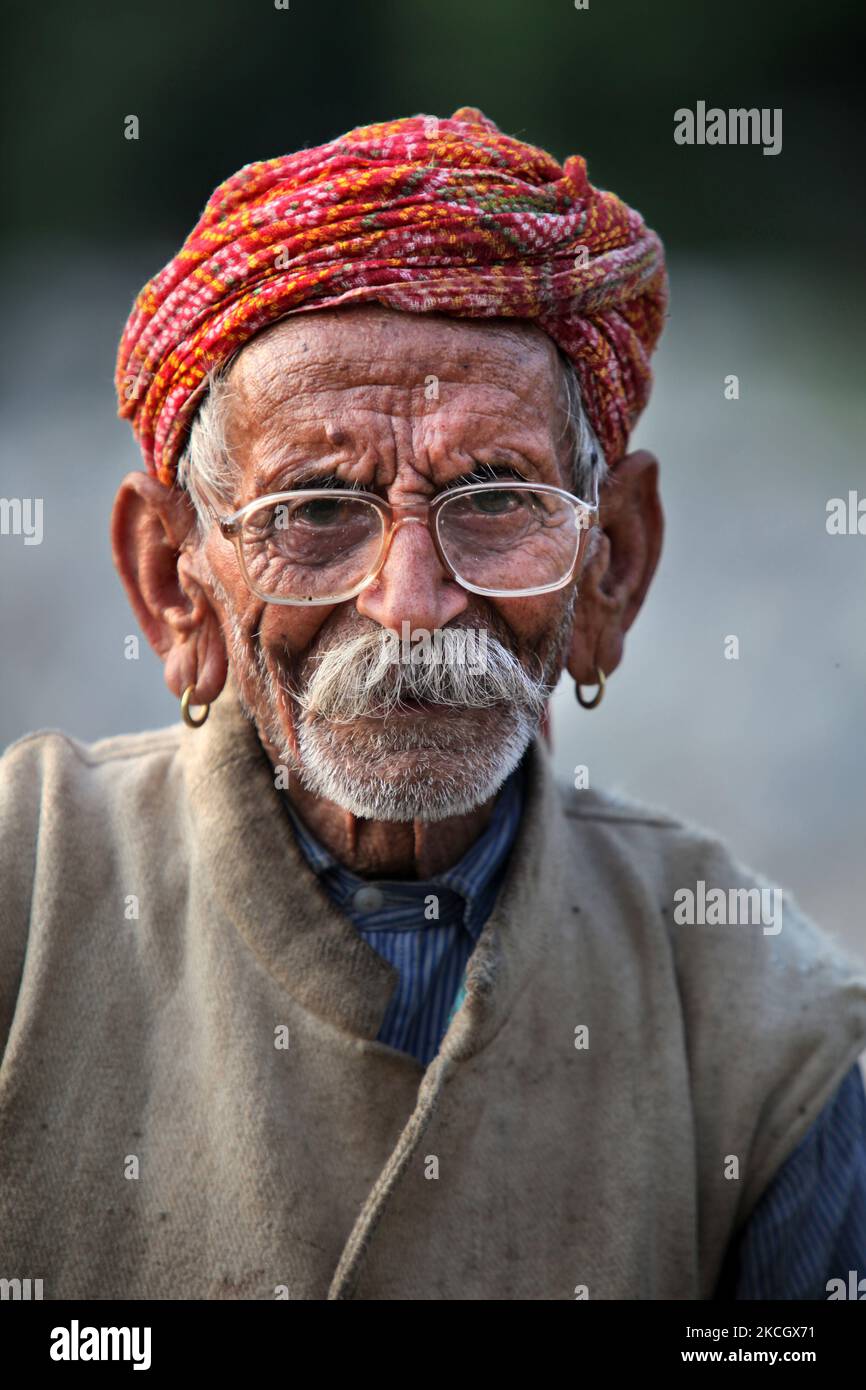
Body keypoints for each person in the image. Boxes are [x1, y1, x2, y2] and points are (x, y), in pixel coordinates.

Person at [1, 107, 864, 1301]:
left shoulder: (761, 1022)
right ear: (174, 586)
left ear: (610, 565)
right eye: (314, 511)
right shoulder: (22, 894)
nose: (409, 603)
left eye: (495, 500)